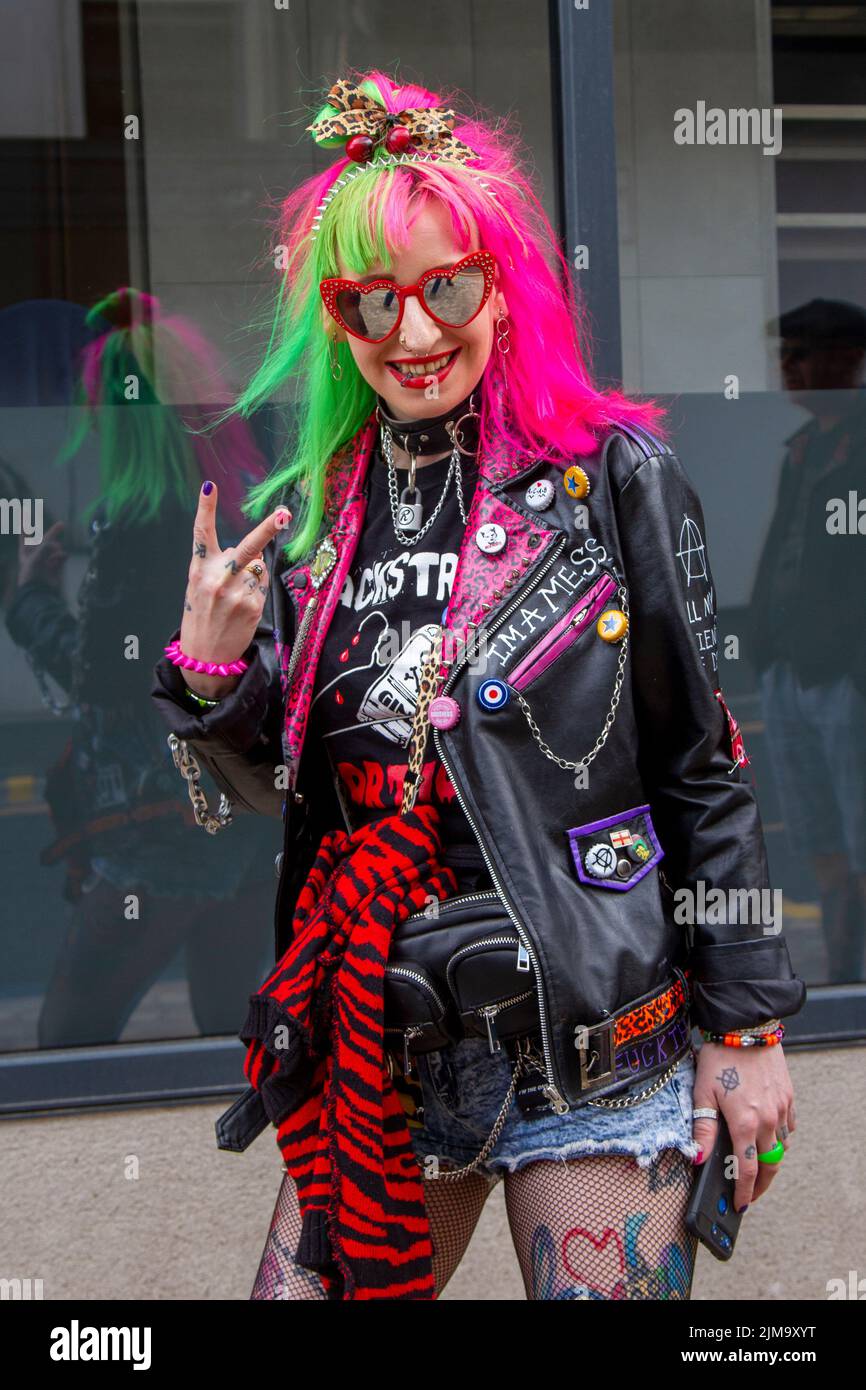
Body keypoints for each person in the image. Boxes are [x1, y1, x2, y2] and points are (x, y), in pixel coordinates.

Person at [152, 72, 806, 1301]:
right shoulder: (325, 515)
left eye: (445, 287)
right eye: (369, 303)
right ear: (333, 323)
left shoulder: (611, 478)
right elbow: (278, 793)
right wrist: (213, 668)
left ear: (501, 289)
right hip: (381, 1057)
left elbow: (703, 769)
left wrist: (747, 1028)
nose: (411, 334)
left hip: (597, 1055)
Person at [751, 298, 866, 983]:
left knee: (858, 834)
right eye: (785, 353)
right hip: (788, 670)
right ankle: (846, 971)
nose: (787, 367)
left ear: (846, 360)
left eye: (802, 354)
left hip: (843, 677)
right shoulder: (803, 450)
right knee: (818, 835)